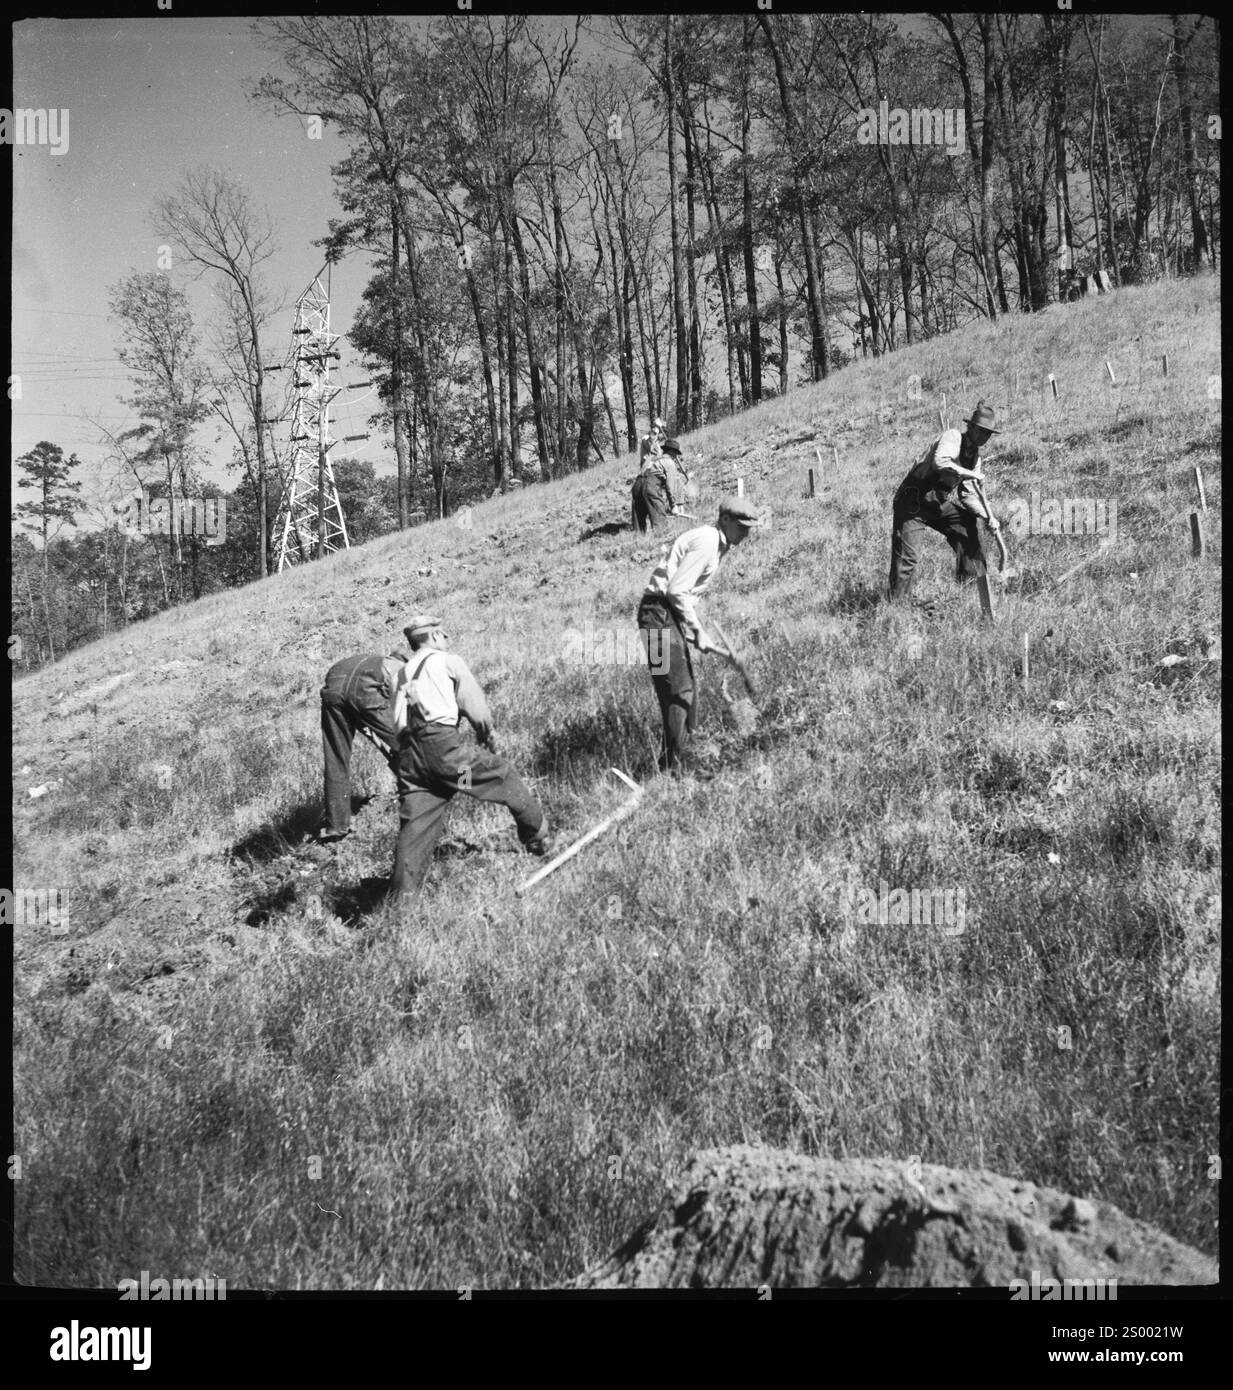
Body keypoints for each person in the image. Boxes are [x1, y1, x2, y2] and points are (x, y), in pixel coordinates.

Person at [388, 615, 549, 899]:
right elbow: (473, 704)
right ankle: (538, 838)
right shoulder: (448, 661)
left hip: (412, 761)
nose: (447, 640)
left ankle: (401, 902)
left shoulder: (401, 672)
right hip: (445, 753)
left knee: (416, 827)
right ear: (435, 637)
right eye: (444, 635)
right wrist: (486, 734)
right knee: (500, 775)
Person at [635, 498, 764, 777]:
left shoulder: (717, 546)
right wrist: (698, 632)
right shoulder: (707, 542)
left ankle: (685, 758)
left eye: (749, 528)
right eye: (742, 527)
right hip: (657, 617)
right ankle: (676, 769)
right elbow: (676, 591)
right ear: (725, 520)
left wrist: (694, 632)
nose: (746, 533)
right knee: (679, 690)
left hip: (663, 616)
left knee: (685, 689)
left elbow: (681, 595)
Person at [888, 401, 1002, 600]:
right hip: (912, 503)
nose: (984, 437)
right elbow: (941, 462)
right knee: (908, 558)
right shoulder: (953, 437)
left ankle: (970, 589)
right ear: (971, 427)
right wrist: (972, 474)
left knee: (968, 524)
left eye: (988, 434)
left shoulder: (975, 458)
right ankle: (896, 607)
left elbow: (967, 495)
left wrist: (986, 516)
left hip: (936, 503)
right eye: (981, 431)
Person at [317, 645, 408, 844]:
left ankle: (336, 826)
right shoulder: (404, 671)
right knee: (410, 747)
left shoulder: (374, 659)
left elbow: (360, 713)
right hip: (368, 685)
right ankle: (419, 796)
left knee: (336, 758)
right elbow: (404, 724)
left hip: (334, 681)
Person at [631, 436, 687, 532]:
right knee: (660, 522)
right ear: (672, 452)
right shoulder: (669, 463)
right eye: (676, 454)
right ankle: (659, 539)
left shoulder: (651, 459)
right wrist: (673, 505)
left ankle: (640, 541)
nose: (676, 456)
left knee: (639, 523)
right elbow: (670, 486)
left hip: (637, 485)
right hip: (651, 485)